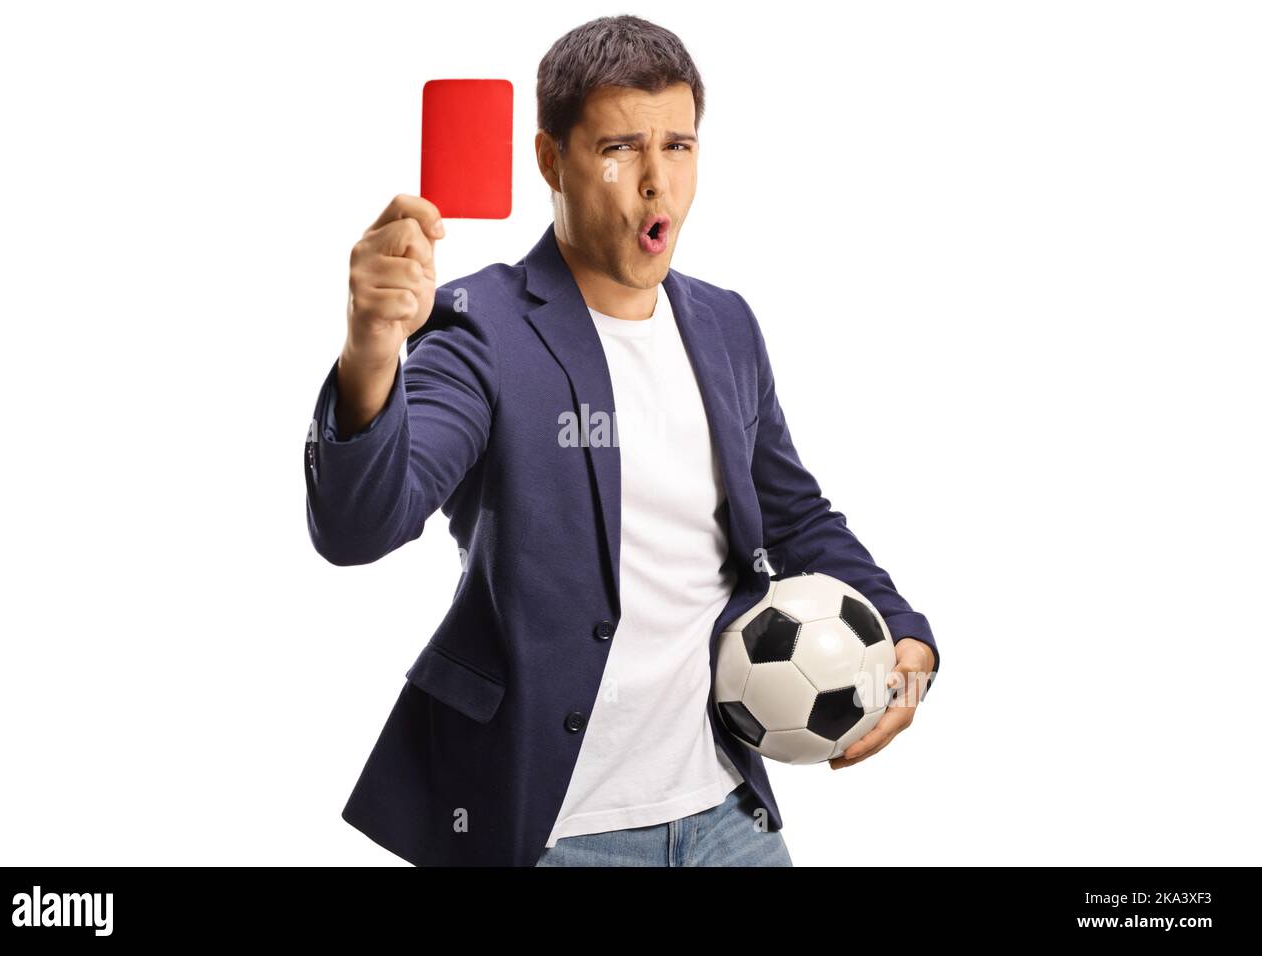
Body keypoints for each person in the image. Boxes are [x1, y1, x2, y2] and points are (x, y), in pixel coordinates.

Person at [306, 14, 939, 868]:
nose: (656, 185)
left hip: (727, 814)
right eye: (619, 149)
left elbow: (794, 518)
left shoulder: (724, 323)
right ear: (550, 161)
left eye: (678, 147)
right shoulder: (478, 326)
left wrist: (903, 630)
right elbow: (358, 527)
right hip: (556, 831)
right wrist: (371, 348)